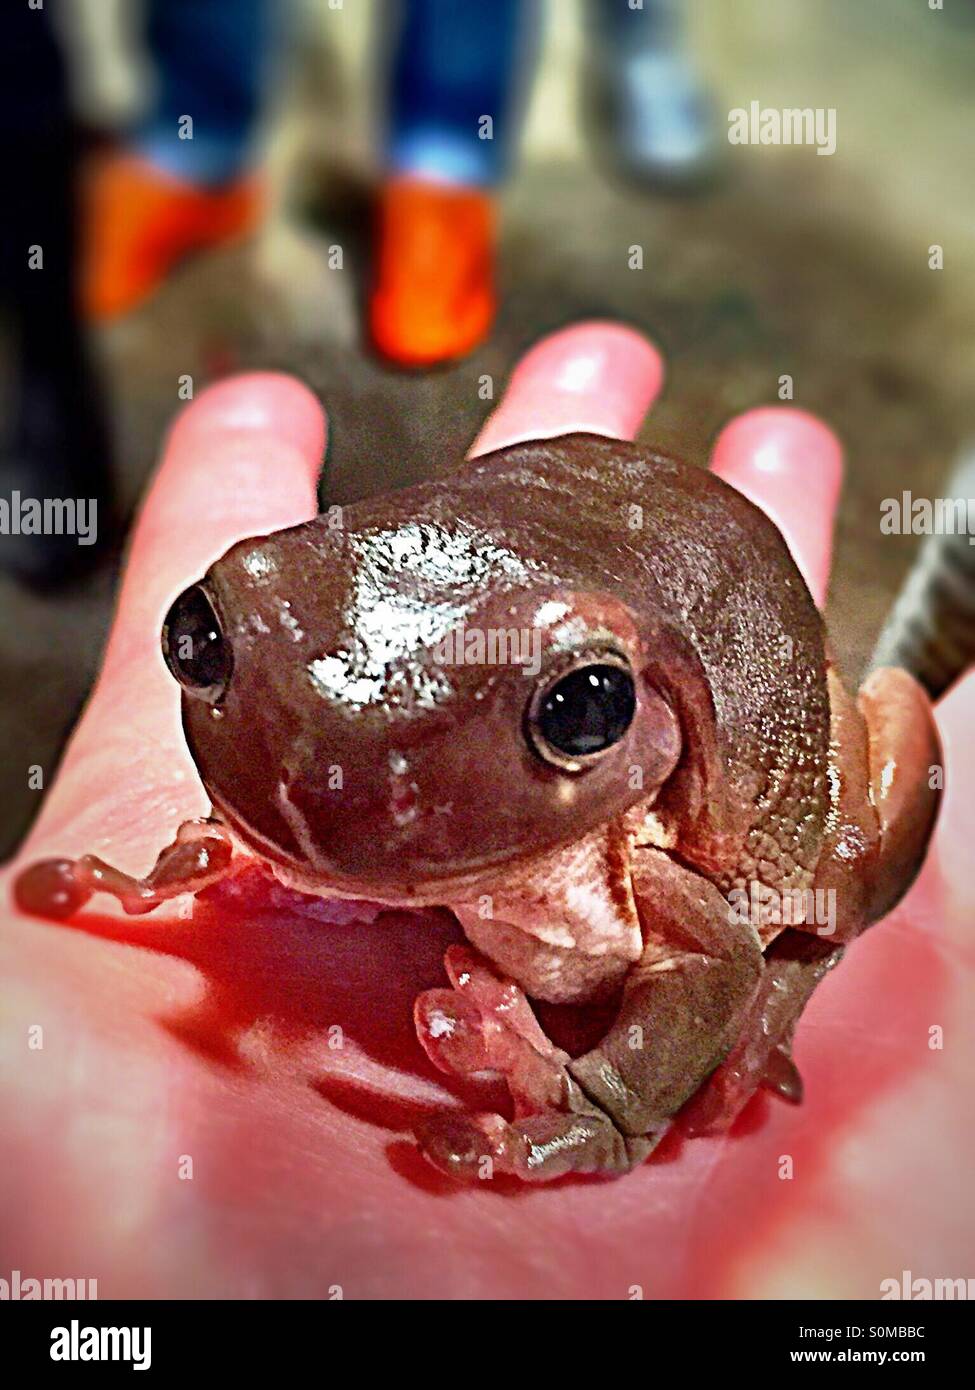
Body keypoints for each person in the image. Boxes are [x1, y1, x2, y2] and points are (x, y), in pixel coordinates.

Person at [1, 323, 970, 1297]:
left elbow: (713, 958)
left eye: (574, 711)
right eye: (203, 642)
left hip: (734, 686)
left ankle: (759, 928)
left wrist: (611, 1099)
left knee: (826, 876)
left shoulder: (654, 842)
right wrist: (273, 820)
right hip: (583, 562)